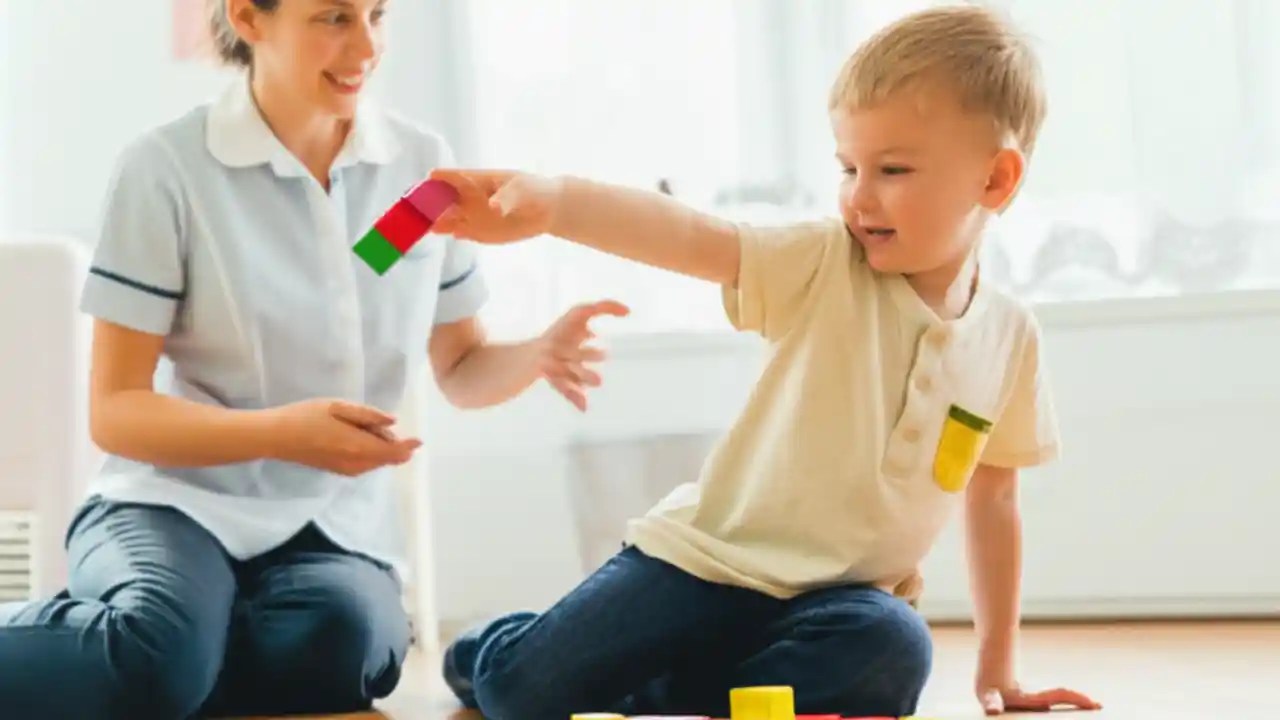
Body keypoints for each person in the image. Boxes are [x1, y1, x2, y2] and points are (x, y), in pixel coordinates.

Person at [429, 5, 1104, 719]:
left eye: (893, 169)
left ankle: (671, 691)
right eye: (848, 167)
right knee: (516, 695)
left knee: (893, 646)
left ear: (995, 181)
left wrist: (999, 670)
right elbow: (690, 237)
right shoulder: (822, 262)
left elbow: (994, 500)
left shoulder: (1010, 336)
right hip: (702, 566)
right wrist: (556, 202)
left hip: (834, 605)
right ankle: (512, 648)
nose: (858, 195)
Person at [0, 0, 625, 718]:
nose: (366, 45)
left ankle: (170, 661)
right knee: (155, 652)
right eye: (333, 18)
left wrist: (537, 355)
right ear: (249, 17)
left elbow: (460, 365)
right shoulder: (167, 169)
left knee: (338, 650)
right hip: (173, 503)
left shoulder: (415, 177)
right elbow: (116, 413)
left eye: (377, 15)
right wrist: (281, 433)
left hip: (330, 525)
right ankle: (162, 653)